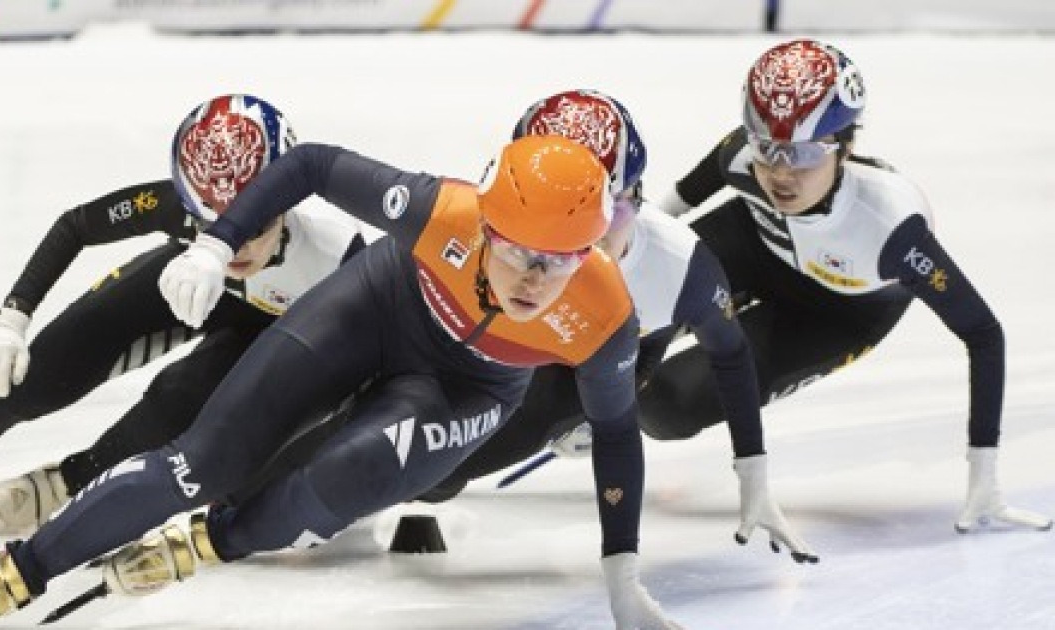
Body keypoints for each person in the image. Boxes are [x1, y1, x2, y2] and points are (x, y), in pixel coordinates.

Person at [0, 130, 801, 629]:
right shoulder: (440, 209)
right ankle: (22, 569)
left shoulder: (602, 319)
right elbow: (305, 165)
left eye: (563, 261)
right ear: (485, 220)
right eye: (520, 251)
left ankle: (215, 544)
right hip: (378, 304)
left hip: (467, 391)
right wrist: (219, 241)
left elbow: (616, 433)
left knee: (334, 484)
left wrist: (620, 573)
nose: (536, 277)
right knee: (199, 461)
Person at [441, 39, 1051, 535]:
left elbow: (984, 334)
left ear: (846, 144)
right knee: (625, 316)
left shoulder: (891, 231)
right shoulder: (742, 159)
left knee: (669, 409)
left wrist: (984, 477)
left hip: (836, 312)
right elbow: (661, 221)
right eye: (767, 148)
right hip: (750, 244)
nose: (780, 170)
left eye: (805, 152)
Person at [0, 94, 365, 532]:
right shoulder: (180, 208)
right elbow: (77, 226)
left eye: (249, 227)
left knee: (178, 402)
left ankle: (73, 481)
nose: (231, 245)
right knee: (34, 376)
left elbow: (378, 358)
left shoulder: (338, 260)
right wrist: (12, 317)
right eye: (209, 224)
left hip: (278, 328)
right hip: (181, 279)